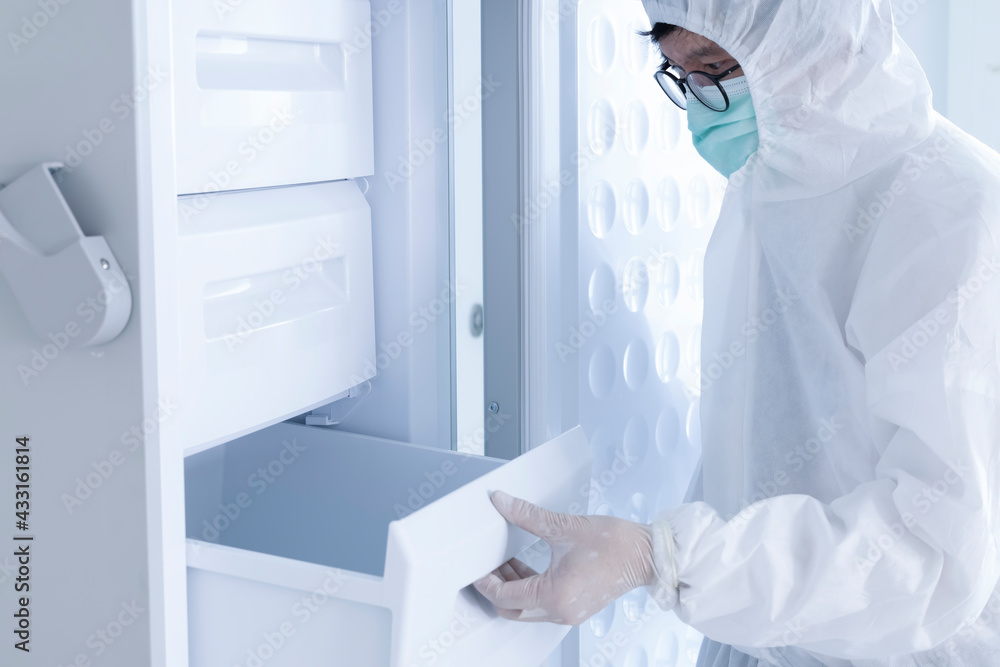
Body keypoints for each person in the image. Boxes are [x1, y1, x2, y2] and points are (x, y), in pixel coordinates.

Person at [474, 0, 1000, 665]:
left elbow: (933, 552)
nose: (704, 106)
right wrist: (641, 561)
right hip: (769, 639)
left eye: (716, 69)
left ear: (825, 37)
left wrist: (662, 557)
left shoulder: (950, 213)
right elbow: (765, 445)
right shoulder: (775, 186)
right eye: (681, 75)